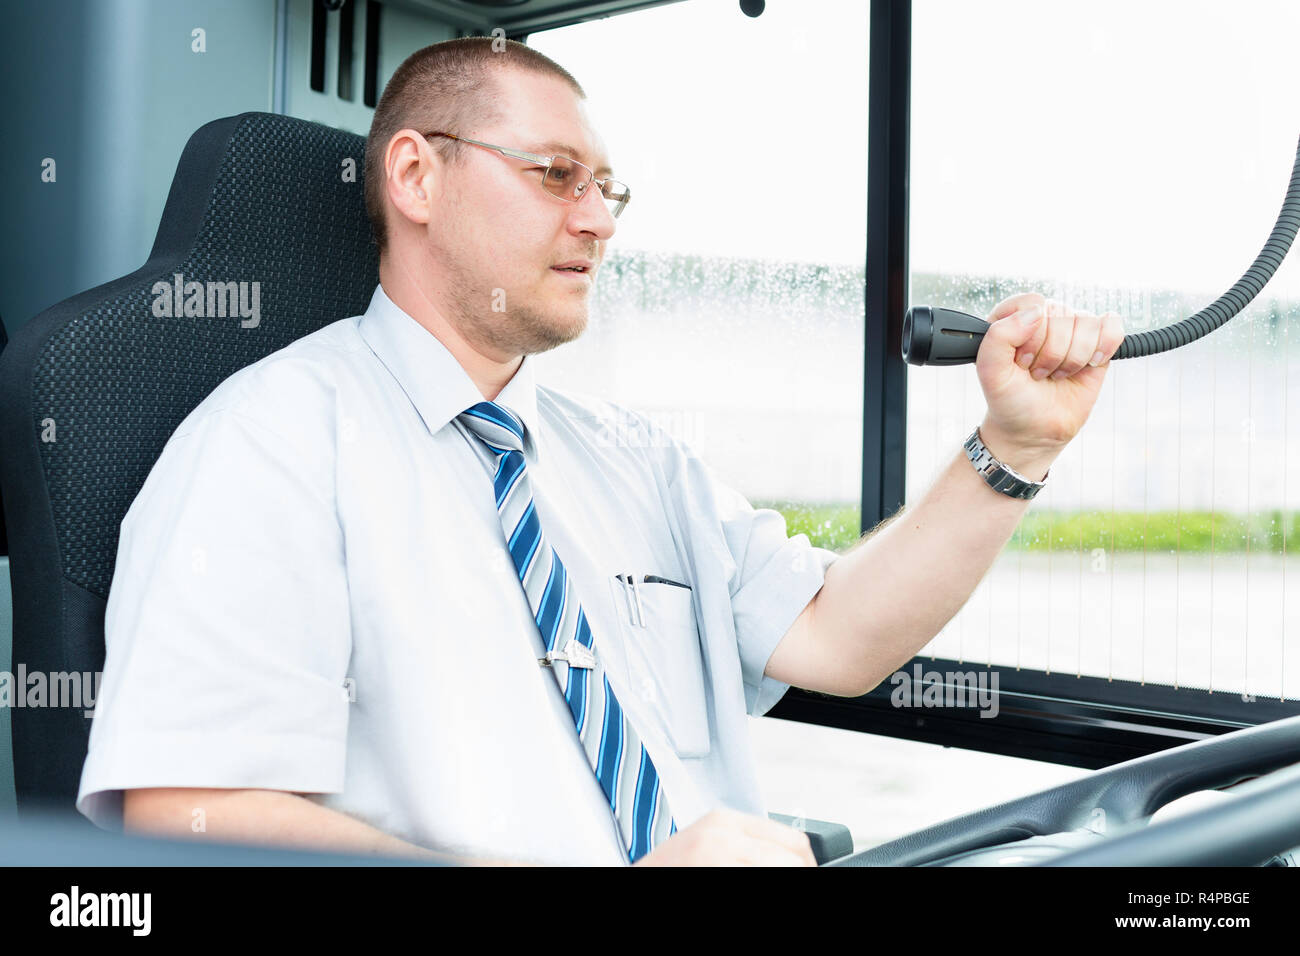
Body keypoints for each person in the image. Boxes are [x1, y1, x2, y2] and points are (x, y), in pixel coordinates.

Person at [75, 37, 1124, 867]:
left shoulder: (633, 460)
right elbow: (189, 813)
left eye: (608, 189)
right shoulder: (267, 447)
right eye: (555, 175)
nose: (597, 220)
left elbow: (831, 634)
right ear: (415, 176)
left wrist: (1012, 446)